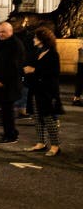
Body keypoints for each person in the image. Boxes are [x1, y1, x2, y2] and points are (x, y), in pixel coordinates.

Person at [23, 27, 63, 156]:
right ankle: (41, 142)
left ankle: (55, 146)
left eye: (36, 37)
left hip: (47, 91)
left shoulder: (52, 54)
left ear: (42, 39)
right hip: (36, 90)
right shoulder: (38, 52)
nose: (34, 39)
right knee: (37, 117)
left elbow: (54, 73)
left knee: (48, 118)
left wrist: (34, 70)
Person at [0, 21, 26, 144]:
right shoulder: (4, 43)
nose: (0, 34)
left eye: (3, 32)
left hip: (8, 84)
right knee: (5, 110)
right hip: (2, 83)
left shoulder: (14, 45)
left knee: (8, 111)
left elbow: (14, 67)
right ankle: (8, 132)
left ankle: (11, 135)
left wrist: (2, 80)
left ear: (10, 31)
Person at [73, 40, 83, 106]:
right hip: (81, 63)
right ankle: (76, 98)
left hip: (80, 63)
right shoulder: (80, 49)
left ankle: (76, 98)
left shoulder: (80, 49)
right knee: (80, 81)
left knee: (79, 81)